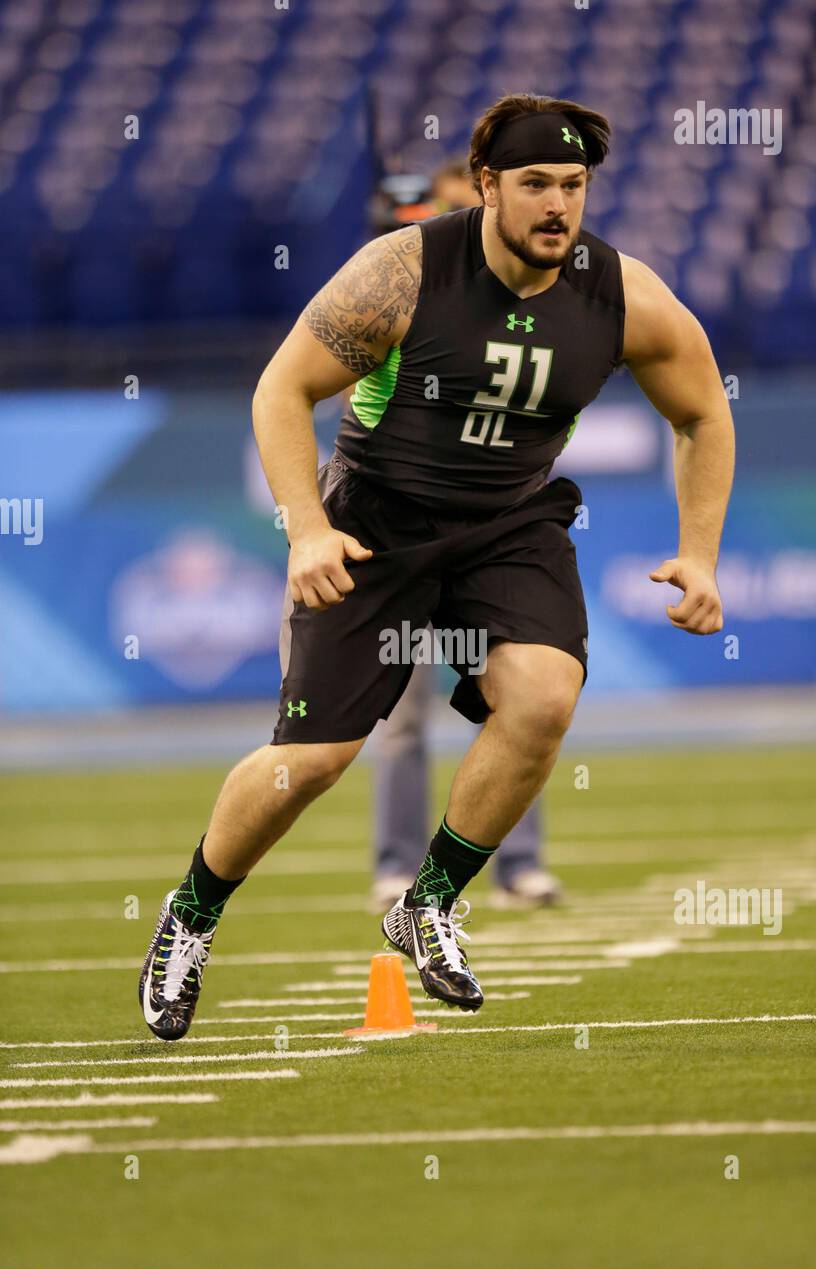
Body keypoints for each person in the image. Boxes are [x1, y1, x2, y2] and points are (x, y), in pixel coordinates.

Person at [139, 92, 733, 1038]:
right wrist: (305, 530)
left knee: (543, 696)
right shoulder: (402, 273)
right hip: (375, 525)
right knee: (312, 763)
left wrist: (700, 556)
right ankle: (192, 914)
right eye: (534, 183)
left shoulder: (627, 296)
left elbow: (701, 413)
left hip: (508, 524)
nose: (557, 206)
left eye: (573, 187)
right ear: (488, 184)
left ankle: (429, 903)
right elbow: (281, 390)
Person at [370, 159, 561, 914]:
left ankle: (517, 862)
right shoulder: (401, 281)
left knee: (522, 704)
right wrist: (390, 223)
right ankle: (395, 865)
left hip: (491, 533)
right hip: (399, 531)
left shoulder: (516, 302)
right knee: (404, 717)